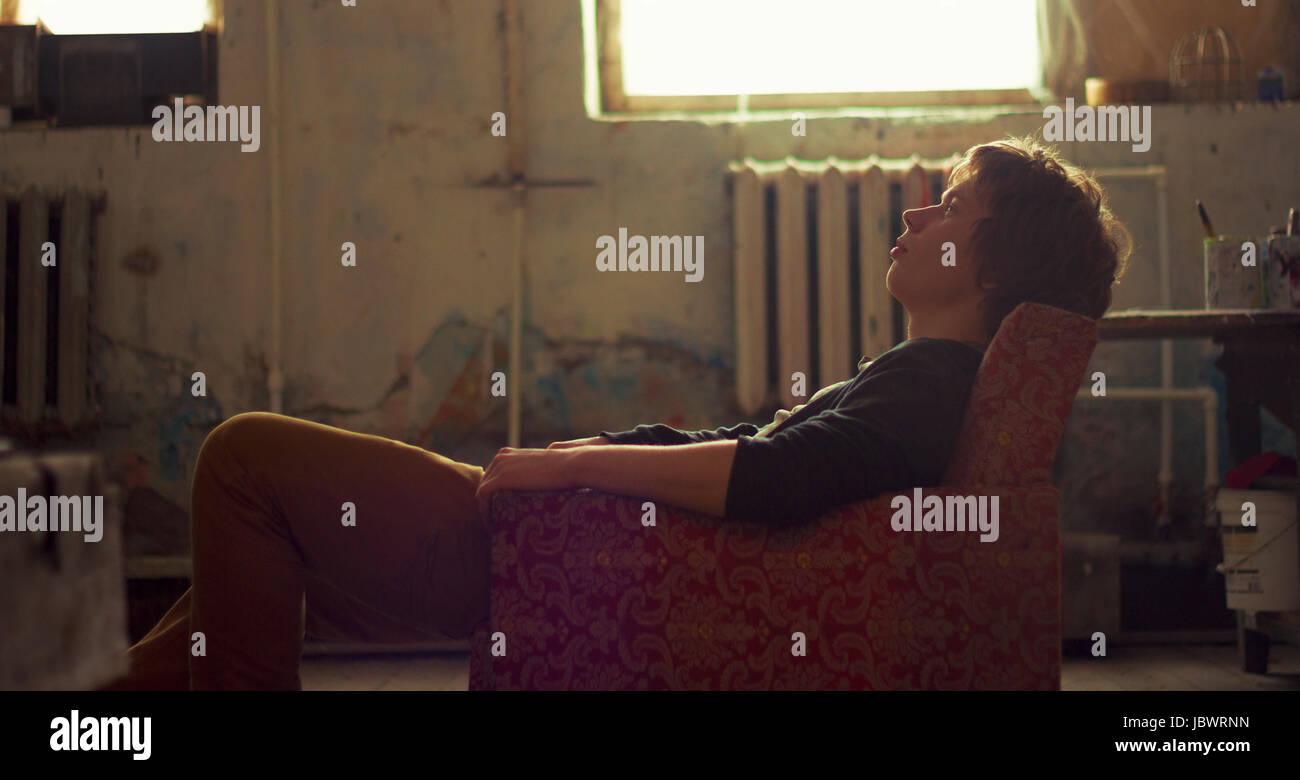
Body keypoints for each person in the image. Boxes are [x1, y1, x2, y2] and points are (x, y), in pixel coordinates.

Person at [101, 136, 1131, 690]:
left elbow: (776, 479)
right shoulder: (922, 377)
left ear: (991, 265)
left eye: (950, 204)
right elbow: (775, 456)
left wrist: (567, 468)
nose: (916, 210)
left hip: (550, 544)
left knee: (239, 458)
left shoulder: (930, 381)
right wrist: (588, 450)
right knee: (223, 590)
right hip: (568, 535)